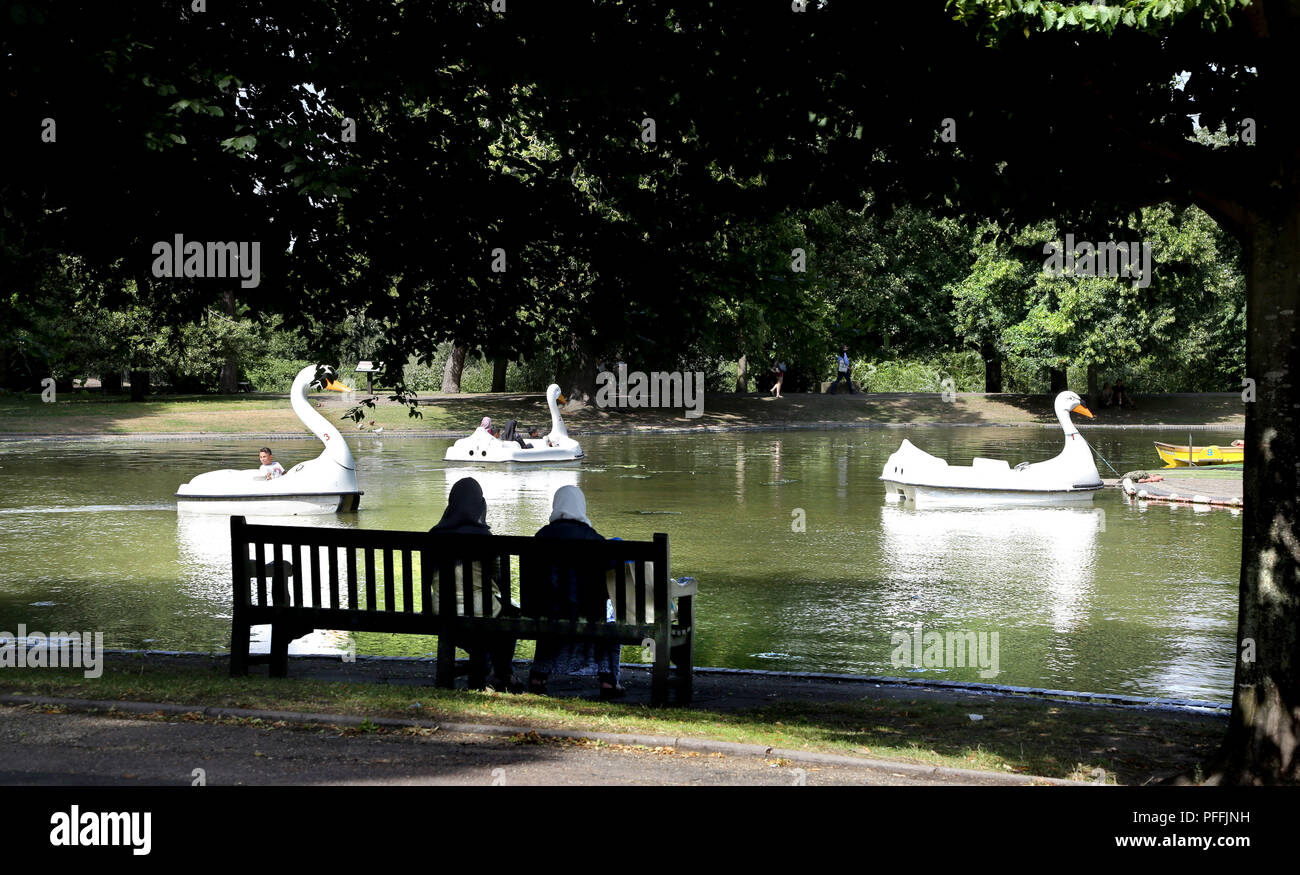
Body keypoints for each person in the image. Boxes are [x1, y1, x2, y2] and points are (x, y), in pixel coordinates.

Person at [524, 485, 624, 699]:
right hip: (588, 613)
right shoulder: (594, 539)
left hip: (545, 613)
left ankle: (538, 676)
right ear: (581, 507)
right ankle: (608, 680)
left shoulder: (540, 537)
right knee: (608, 616)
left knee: (552, 608)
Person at [429, 477, 522, 692]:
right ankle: (502, 673)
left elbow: (427, 578)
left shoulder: (433, 536)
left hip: (441, 610)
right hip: (482, 612)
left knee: (484, 624)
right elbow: (499, 579)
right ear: (480, 505)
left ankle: (485, 665)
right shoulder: (485, 537)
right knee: (511, 612)